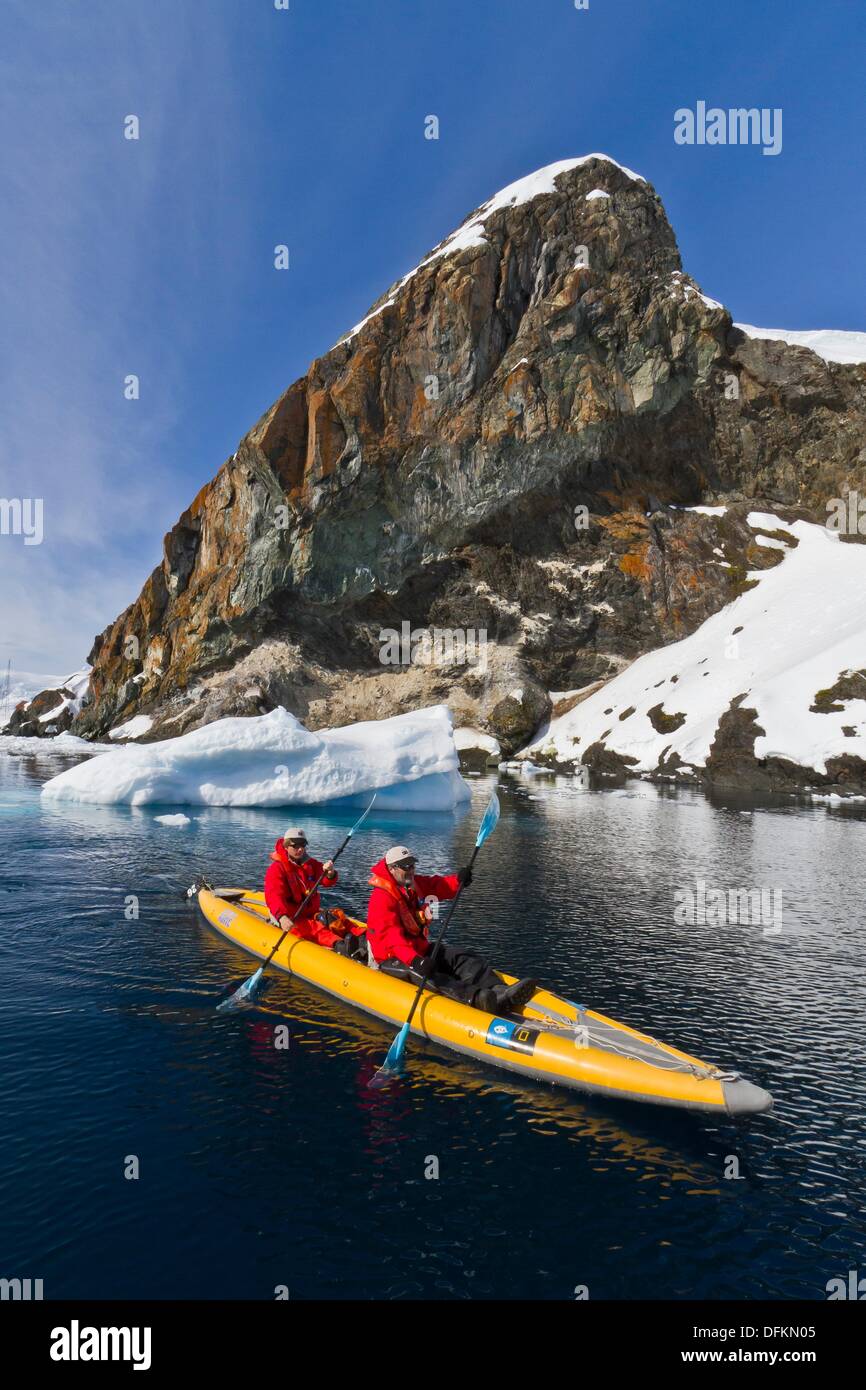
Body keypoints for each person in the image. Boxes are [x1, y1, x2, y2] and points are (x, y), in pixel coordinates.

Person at [365, 845, 537, 1014]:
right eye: (405, 866)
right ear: (392, 869)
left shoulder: (410, 884)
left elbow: (436, 886)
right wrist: (416, 961)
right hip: (391, 958)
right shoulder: (381, 898)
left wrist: (458, 881)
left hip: (417, 949)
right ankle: (479, 999)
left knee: (460, 957)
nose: (410, 870)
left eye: (412, 865)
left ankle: (497, 989)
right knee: (431, 976)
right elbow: (391, 939)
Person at [264, 827, 342, 947]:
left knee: (337, 919)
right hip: (290, 916)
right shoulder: (276, 869)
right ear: (286, 846)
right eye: (295, 846)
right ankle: (339, 945)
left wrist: (330, 873)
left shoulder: (311, 864)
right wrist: (282, 917)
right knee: (315, 929)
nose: (300, 849)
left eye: (303, 845)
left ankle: (356, 938)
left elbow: (327, 881)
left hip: (310, 913)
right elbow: (273, 895)